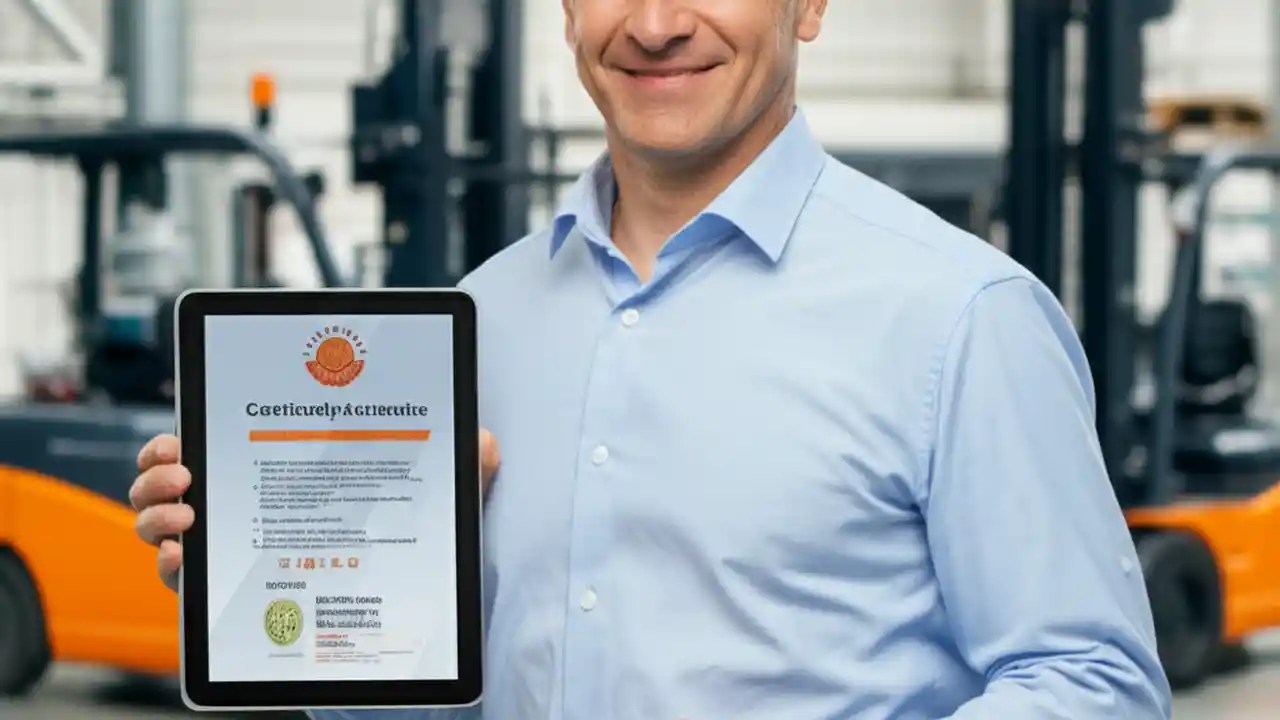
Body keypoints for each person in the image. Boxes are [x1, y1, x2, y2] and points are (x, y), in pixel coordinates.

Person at [132, 1, 1174, 718]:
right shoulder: (473, 320)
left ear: (806, 3)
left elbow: (1091, 682)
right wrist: (284, 584)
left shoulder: (960, 316)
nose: (656, 22)